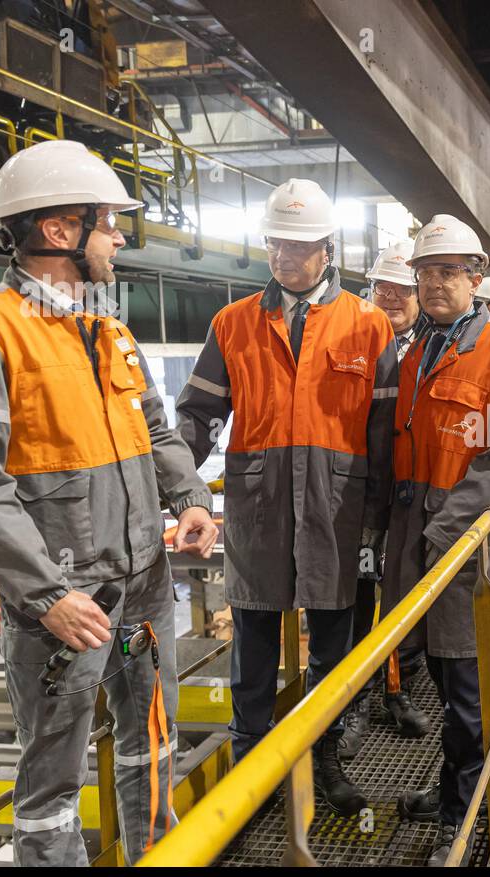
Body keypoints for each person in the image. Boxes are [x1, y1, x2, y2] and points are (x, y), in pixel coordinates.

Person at [0, 139, 218, 865]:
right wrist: (47, 594)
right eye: (109, 224)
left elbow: (153, 429)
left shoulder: (106, 329)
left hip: (142, 593)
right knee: (51, 787)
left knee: (150, 743)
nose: (118, 239)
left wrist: (192, 498)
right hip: (66, 611)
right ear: (60, 231)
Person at [176, 178, 399, 817]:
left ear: (327, 248)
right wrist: (174, 489)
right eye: (275, 243)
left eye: (297, 246)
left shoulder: (368, 325)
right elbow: (197, 418)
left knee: (334, 640)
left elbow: (382, 434)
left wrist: (377, 525)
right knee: (252, 636)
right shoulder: (234, 323)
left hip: (339, 511)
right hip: (260, 507)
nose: (283, 257)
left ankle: (325, 758)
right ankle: (252, 763)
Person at [382, 214, 490, 865]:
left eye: (449, 271)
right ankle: (452, 791)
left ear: (476, 278)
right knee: (449, 691)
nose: (436, 283)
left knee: (471, 703)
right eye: (426, 272)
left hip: (470, 556)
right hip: (420, 550)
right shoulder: (417, 353)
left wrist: (447, 525)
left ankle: (463, 821)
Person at [341, 241, 432, 758]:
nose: (390, 297)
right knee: (354, 604)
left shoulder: (429, 349)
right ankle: (352, 705)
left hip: (407, 499)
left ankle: (397, 691)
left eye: (401, 288)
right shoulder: (351, 340)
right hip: (354, 497)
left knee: (401, 599)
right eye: (381, 287)